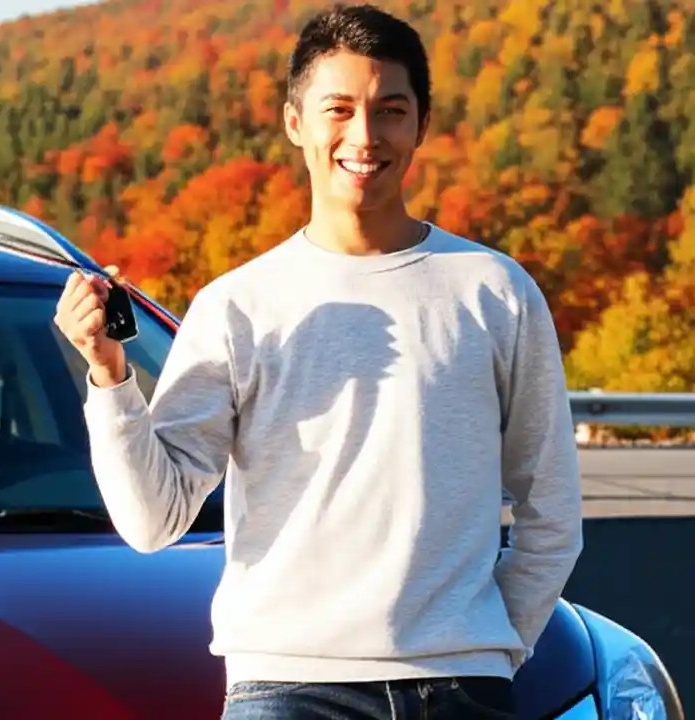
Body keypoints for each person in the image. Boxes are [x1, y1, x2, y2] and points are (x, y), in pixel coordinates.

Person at [53, 3, 584, 719]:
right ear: (295, 122)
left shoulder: (495, 292)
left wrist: (489, 649)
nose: (365, 136)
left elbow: (551, 512)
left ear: (421, 125)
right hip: (288, 689)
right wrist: (109, 373)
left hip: (462, 689)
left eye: (390, 110)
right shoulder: (237, 305)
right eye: (339, 109)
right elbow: (154, 520)